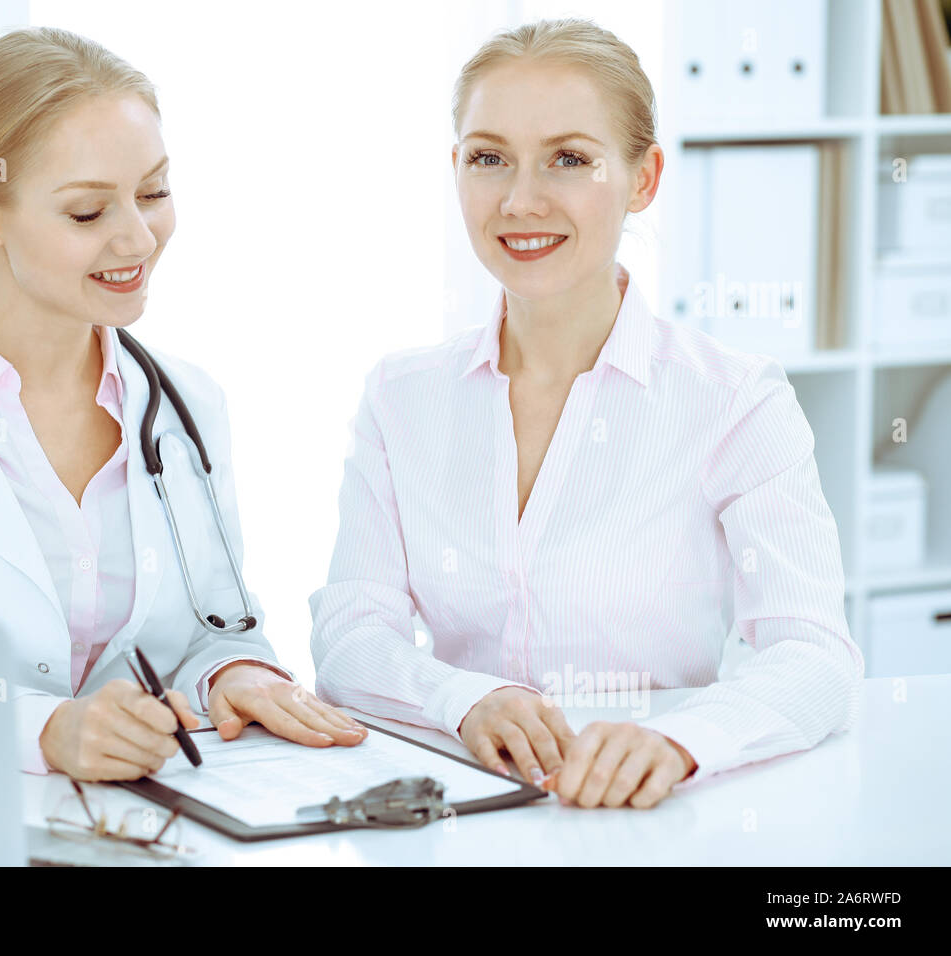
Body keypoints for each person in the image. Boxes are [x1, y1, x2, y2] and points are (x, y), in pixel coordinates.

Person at [0, 26, 365, 781]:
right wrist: (45, 732)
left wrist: (232, 676)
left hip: (148, 833)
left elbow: (211, 630)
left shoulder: (187, 406)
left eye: (154, 192)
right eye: (88, 213)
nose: (138, 237)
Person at [309, 18, 861, 809]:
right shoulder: (402, 398)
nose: (520, 199)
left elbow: (816, 655)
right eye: (489, 158)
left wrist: (681, 741)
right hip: (468, 813)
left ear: (643, 180)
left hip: (646, 818)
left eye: (569, 160)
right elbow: (351, 635)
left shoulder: (734, 400)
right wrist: (459, 698)